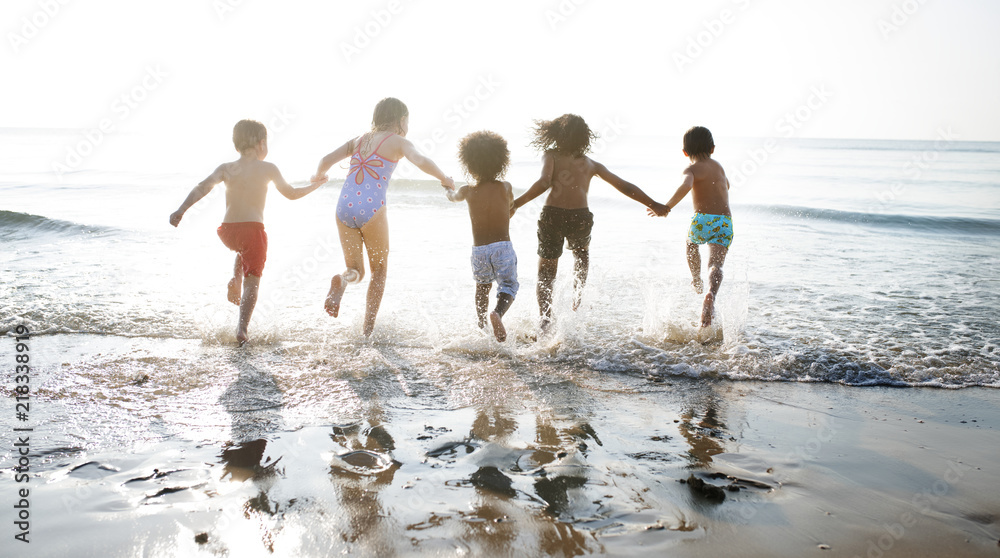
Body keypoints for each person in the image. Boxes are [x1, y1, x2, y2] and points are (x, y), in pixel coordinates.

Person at [169, 119, 326, 344]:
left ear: (237, 146)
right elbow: (291, 193)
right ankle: (242, 328)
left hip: (228, 231)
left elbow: (203, 186)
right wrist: (316, 185)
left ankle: (235, 277)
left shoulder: (226, 168)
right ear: (262, 144)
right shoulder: (268, 168)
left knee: (243, 251)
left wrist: (181, 210)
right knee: (253, 279)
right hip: (253, 230)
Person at [312, 97, 455, 336]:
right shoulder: (398, 141)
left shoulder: (359, 140)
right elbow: (421, 160)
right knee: (379, 271)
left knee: (355, 269)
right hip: (371, 208)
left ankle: (343, 279)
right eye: (408, 120)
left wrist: (318, 176)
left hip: (344, 206)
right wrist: (445, 179)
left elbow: (325, 161)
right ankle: (367, 330)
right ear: (401, 120)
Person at [511, 114, 668, 330]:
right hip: (580, 217)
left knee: (547, 270)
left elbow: (544, 182)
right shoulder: (591, 164)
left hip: (553, 215)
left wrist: (516, 203)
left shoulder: (551, 155)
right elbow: (624, 186)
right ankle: (577, 299)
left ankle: (545, 319)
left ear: (557, 134)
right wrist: (653, 203)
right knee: (581, 255)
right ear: (585, 138)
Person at [652, 126, 732, 328]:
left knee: (690, 245)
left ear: (685, 152)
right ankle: (711, 293)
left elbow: (686, 186)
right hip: (724, 221)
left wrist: (667, 206)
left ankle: (696, 279)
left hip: (702, 219)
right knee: (716, 264)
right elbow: (727, 185)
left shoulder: (691, 170)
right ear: (713, 148)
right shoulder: (719, 166)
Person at [446, 131, 518, 342]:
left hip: (479, 251)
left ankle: (481, 326)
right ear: (501, 162)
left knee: (482, 287)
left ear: (468, 164)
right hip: (502, 247)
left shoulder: (467, 191)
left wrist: (447, 187)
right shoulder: (505, 187)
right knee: (509, 286)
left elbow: (451, 197)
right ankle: (498, 313)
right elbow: (511, 207)